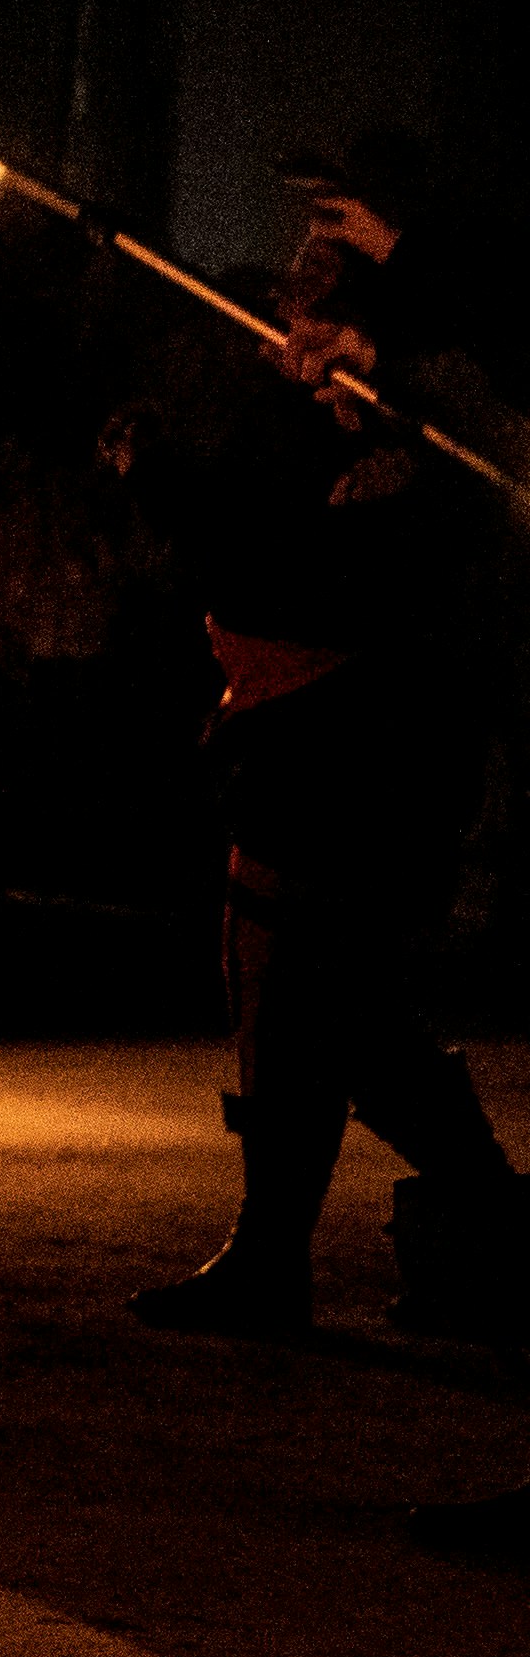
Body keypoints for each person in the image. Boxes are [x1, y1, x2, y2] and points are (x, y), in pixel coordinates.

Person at [140, 182, 523, 1355]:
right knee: (299, 992)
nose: (296, 282)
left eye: (328, 264)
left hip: (365, 740)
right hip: (297, 733)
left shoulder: (420, 430)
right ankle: (283, 1247)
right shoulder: (300, 403)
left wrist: (372, 412)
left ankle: (487, 1221)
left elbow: (328, 571)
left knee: (332, 1001)